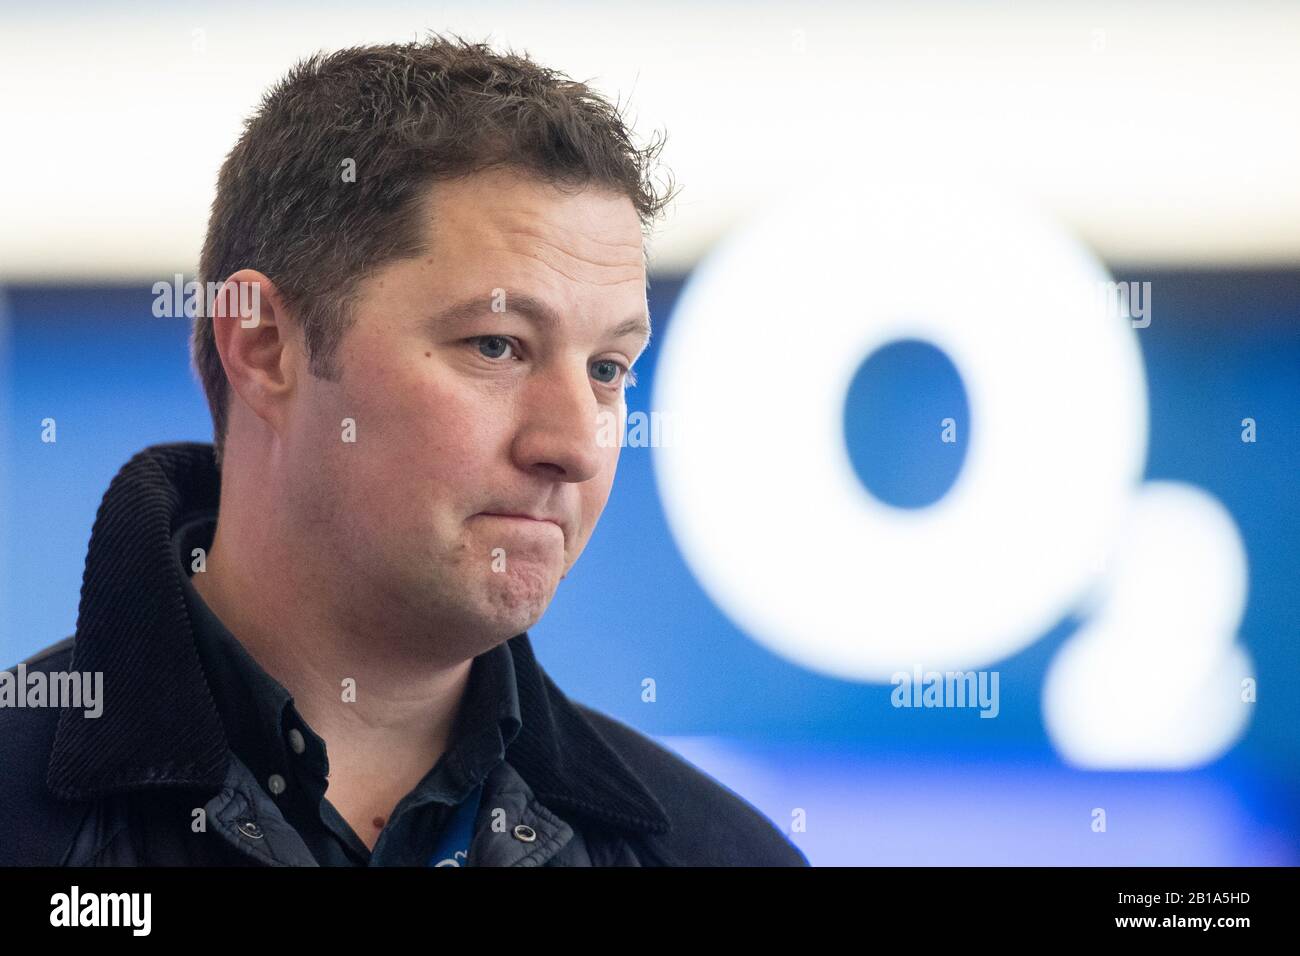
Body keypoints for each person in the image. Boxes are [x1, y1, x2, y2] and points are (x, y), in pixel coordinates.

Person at [0, 33, 808, 867]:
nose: (576, 446)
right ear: (264, 346)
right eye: (497, 346)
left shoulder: (723, 855)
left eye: (607, 369)